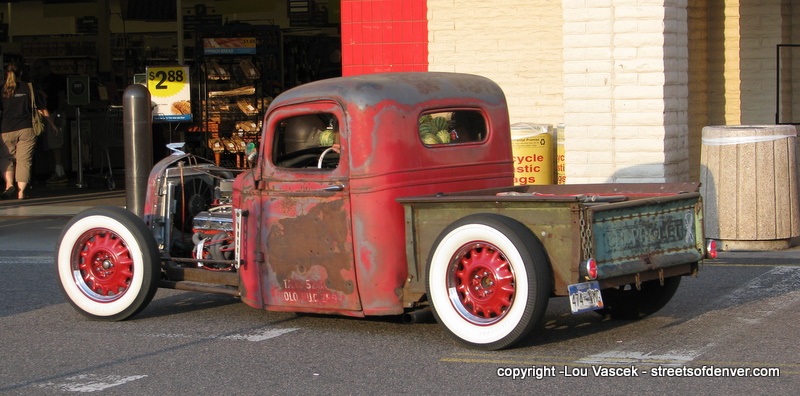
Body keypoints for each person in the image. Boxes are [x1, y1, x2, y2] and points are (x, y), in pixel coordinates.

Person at [0, 61, 57, 199]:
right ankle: (21, 193)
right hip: (26, 128)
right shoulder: (29, 88)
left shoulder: (2, 89)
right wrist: (52, 124)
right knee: (24, 160)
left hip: (6, 129)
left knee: (6, 158)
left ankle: (9, 185)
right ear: (21, 73)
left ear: (7, 73)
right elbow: (41, 108)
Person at [31, 59, 67, 184]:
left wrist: (58, 114)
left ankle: (59, 172)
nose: (37, 71)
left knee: (55, 144)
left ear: (47, 67)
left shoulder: (56, 80)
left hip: (53, 113)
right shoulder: (37, 81)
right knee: (49, 145)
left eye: (39, 68)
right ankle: (55, 171)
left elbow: (61, 97)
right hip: (44, 114)